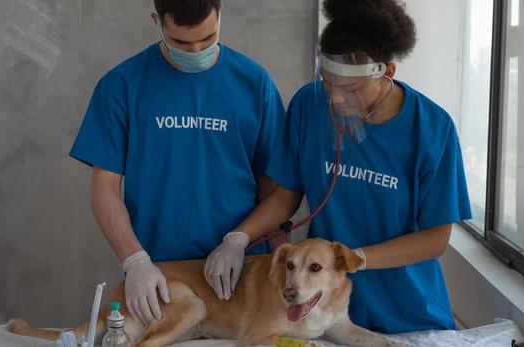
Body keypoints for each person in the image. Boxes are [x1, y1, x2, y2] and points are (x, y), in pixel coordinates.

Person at [205, 0, 471, 333]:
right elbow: (286, 196)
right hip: (326, 310)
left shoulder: (432, 130)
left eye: (349, 88)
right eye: (328, 82)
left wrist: (357, 258)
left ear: (386, 72)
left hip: (408, 311)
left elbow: (435, 239)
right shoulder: (308, 106)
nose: (334, 99)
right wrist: (239, 238)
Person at [69, 0, 285, 326]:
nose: (196, 50)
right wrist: (135, 260)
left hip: (240, 274)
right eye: (182, 42)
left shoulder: (255, 84)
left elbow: (274, 189)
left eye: (208, 38)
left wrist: (281, 264)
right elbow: (105, 187)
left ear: (220, 12)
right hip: (161, 279)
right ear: (157, 21)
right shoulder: (122, 85)